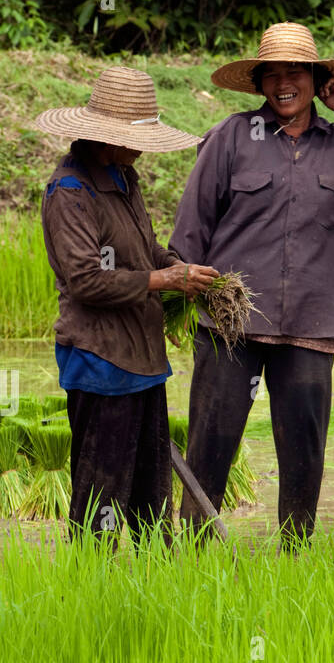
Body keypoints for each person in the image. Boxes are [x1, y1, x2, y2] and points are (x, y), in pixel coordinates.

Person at [171, 21, 334, 544]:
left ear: (315, 79)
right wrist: (174, 301)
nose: (284, 83)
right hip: (230, 323)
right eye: (272, 74)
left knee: (304, 447)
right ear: (258, 84)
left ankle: (295, 553)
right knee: (212, 441)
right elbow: (192, 226)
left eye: (296, 72)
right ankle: (184, 552)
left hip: (310, 321)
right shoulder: (232, 137)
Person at [34, 65, 218, 543]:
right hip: (100, 359)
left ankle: (147, 582)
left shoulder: (123, 176)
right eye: (136, 139)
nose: (142, 149)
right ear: (106, 137)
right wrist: (162, 279)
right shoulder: (70, 191)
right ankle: (94, 584)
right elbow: (86, 280)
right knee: (101, 497)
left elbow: (145, 250)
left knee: (149, 499)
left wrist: (182, 271)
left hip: (143, 358)